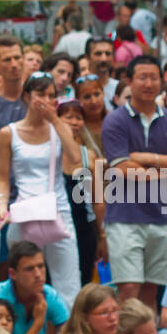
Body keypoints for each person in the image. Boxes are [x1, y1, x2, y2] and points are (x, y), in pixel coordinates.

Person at [100, 54, 167, 308]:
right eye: (142, 77)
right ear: (129, 81)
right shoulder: (115, 120)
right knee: (129, 290)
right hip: (124, 217)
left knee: (152, 292)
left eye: (154, 77)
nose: (149, 83)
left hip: (164, 216)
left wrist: (147, 159)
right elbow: (123, 169)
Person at [0, 70, 82, 308]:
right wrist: (2, 206)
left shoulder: (59, 127)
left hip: (59, 212)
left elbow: (76, 160)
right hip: (24, 213)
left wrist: (55, 119)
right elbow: (2, 178)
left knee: (68, 287)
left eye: (52, 95)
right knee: (24, 288)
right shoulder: (7, 133)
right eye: (40, 94)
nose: (46, 100)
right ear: (26, 97)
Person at [57, 97, 103, 288]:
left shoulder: (90, 156)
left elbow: (98, 200)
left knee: (83, 281)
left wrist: (103, 236)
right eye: (69, 117)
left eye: (79, 118)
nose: (75, 122)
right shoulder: (47, 153)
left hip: (84, 227)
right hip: (55, 227)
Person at [0, 38, 25, 128]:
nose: (14, 64)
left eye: (17, 58)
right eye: (7, 60)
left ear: (24, 59)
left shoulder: (34, 94)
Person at [86, 36, 119, 111]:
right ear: (87, 57)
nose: (104, 59)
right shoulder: (79, 87)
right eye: (98, 54)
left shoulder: (119, 88)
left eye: (108, 54)